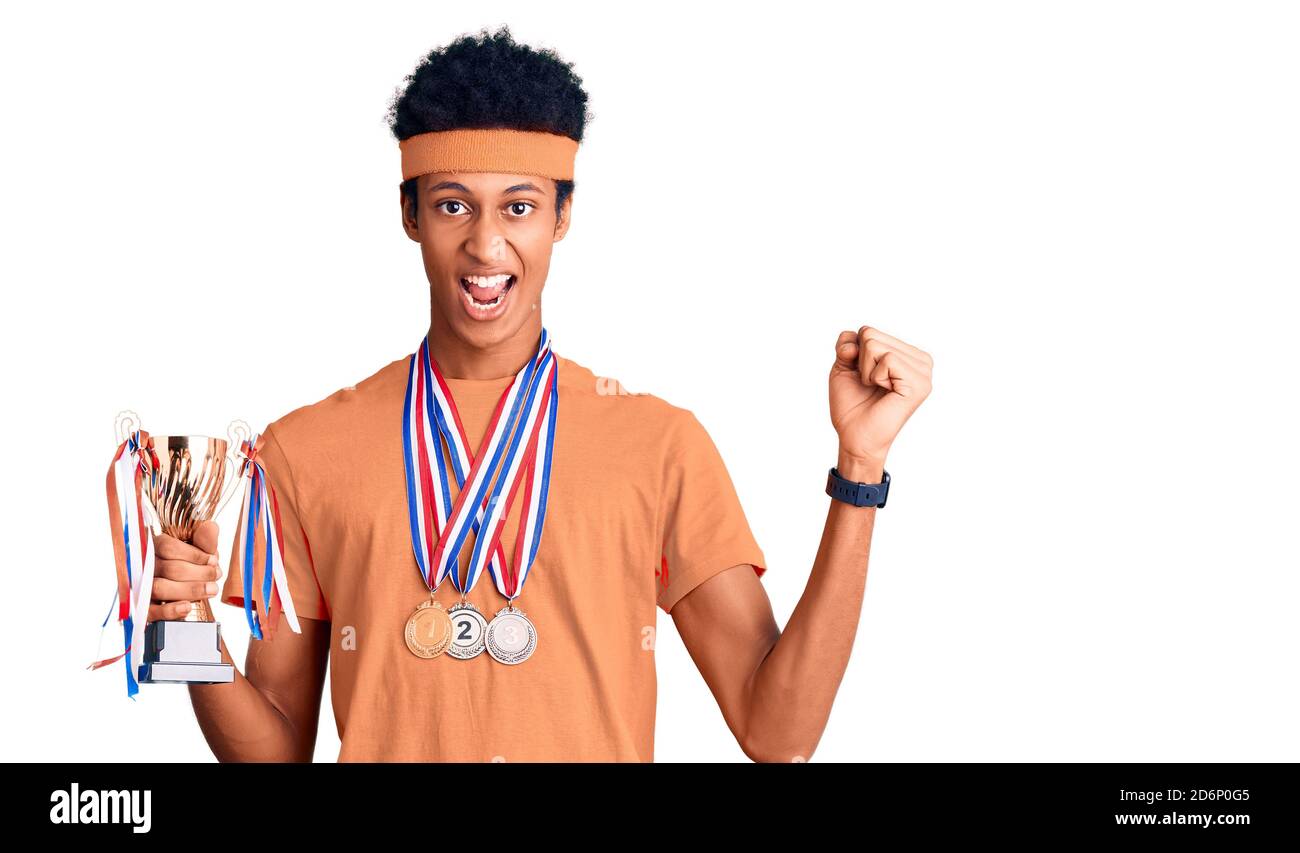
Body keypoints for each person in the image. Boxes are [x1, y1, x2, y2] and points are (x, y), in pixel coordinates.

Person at [146, 25, 933, 762]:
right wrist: (188, 633)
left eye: (518, 206)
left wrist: (859, 469)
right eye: (453, 204)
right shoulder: (301, 451)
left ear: (561, 217)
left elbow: (779, 730)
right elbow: (276, 749)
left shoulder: (659, 447)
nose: (486, 245)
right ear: (409, 214)